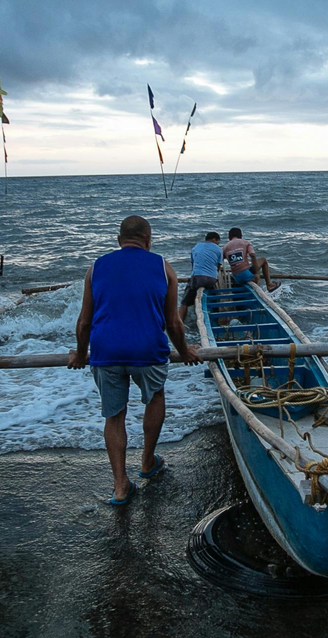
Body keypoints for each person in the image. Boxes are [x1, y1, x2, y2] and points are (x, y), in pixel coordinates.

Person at [67, 216, 201, 505]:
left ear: (119, 241)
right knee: (155, 397)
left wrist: (80, 354)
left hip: (106, 351)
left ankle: (119, 486)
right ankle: (147, 462)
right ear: (148, 241)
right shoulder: (163, 267)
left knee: (114, 416)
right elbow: (173, 323)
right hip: (147, 349)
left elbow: (83, 323)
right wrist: (185, 350)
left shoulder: (96, 267)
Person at [179, 231, 222, 323]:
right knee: (215, 301)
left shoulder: (196, 247)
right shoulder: (219, 249)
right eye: (218, 241)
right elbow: (217, 268)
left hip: (198, 278)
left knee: (184, 303)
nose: (218, 243)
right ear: (214, 239)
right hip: (211, 280)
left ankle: (179, 323)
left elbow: (193, 265)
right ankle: (216, 322)